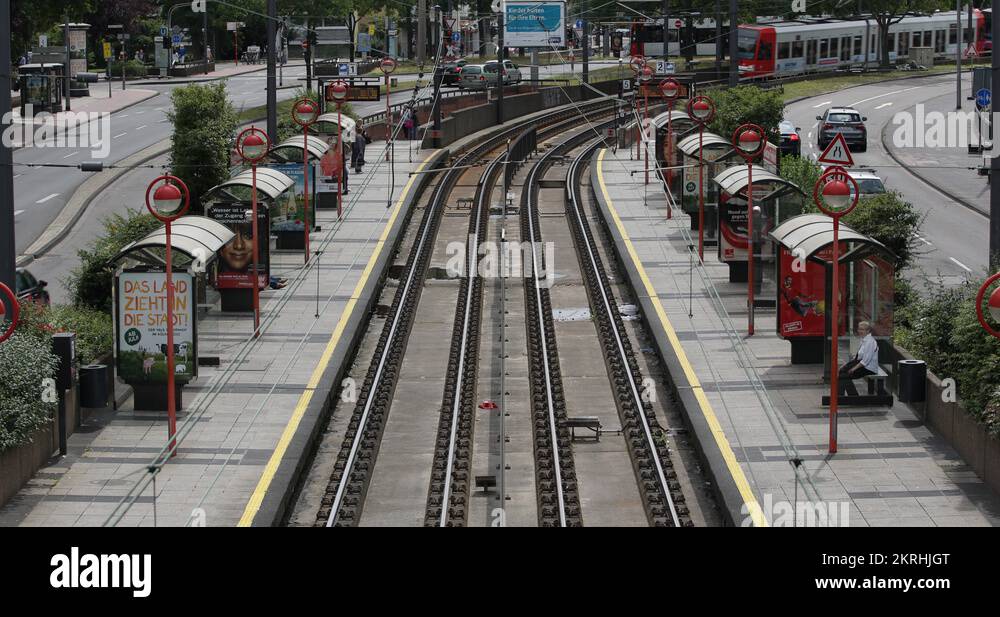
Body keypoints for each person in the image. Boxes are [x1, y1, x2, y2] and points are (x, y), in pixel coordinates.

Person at [838, 321, 878, 396]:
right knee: (841, 371)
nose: (860, 331)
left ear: (868, 331)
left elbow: (865, 361)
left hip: (868, 368)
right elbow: (858, 357)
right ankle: (841, 395)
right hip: (860, 363)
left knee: (844, 375)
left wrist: (853, 369)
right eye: (859, 329)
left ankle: (852, 396)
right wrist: (846, 365)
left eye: (862, 329)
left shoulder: (870, 342)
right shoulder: (863, 339)